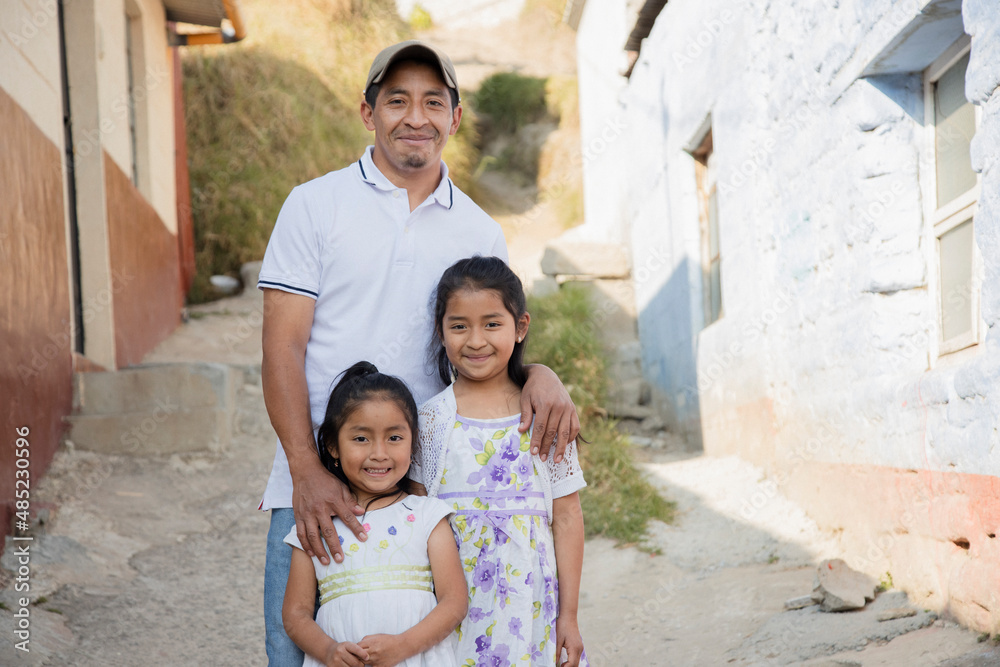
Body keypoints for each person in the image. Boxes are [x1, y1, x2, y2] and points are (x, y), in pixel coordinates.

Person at [258, 40, 580, 664]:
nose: (416, 117)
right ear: (367, 112)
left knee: (428, 650)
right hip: (318, 476)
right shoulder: (314, 206)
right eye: (397, 99)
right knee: (296, 649)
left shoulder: (479, 230)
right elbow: (282, 346)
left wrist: (539, 372)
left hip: (432, 490)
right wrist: (305, 469)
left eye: (434, 101)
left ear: (455, 118)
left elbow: (489, 341)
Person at [413, 256, 590, 667]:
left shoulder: (546, 415)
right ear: (441, 332)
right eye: (459, 326)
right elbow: (416, 520)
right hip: (451, 612)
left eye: (492, 324)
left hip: (532, 611)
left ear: (521, 326)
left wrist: (570, 616)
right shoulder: (429, 421)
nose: (476, 340)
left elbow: (566, 517)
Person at [283, 362, 466, 667]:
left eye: (394, 438)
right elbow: (295, 614)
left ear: (414, 441)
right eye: (361, 438)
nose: (379, 453)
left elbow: (454, 602)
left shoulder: (428, 516)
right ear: (332, 445)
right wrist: (328, 650)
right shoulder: (318, 525)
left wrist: (403, 646)